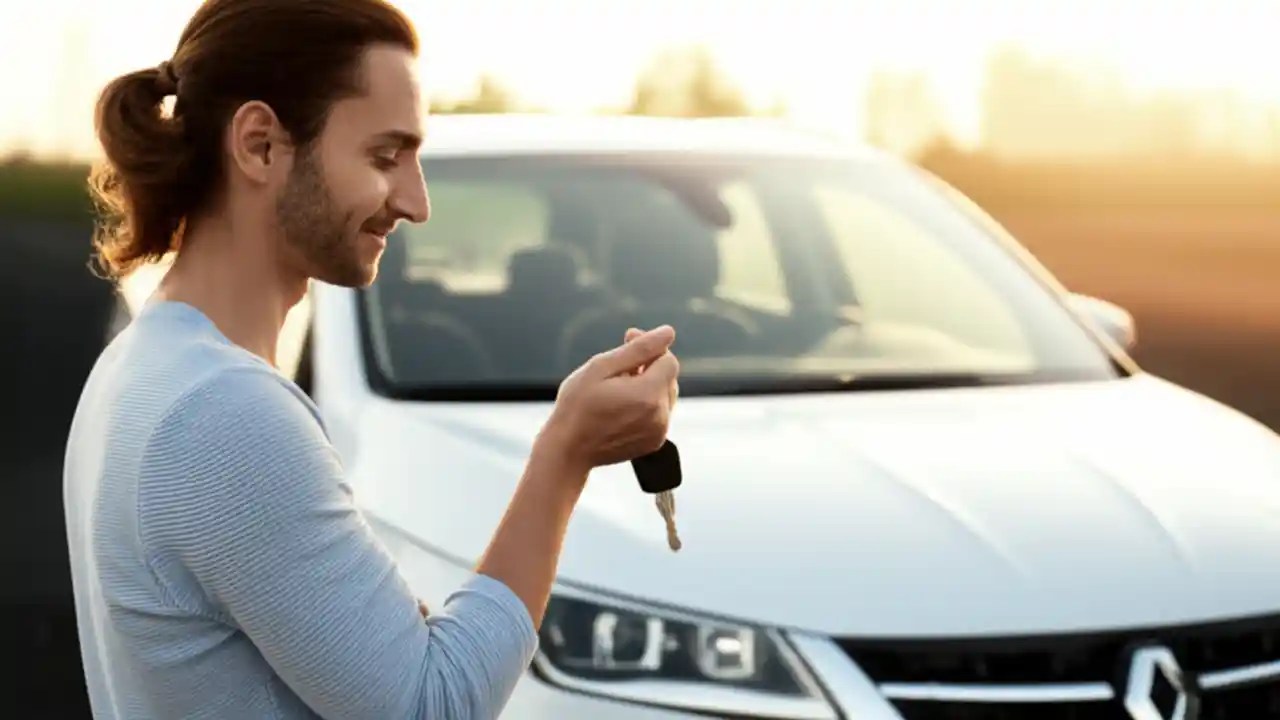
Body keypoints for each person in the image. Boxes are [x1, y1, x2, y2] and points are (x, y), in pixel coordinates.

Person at [61, 1, 680, 718]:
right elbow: (433, 705)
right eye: (385, 157)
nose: (416, 203)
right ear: (260, 145)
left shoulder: (138, 366)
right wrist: (566, 453)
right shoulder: (223, 414)